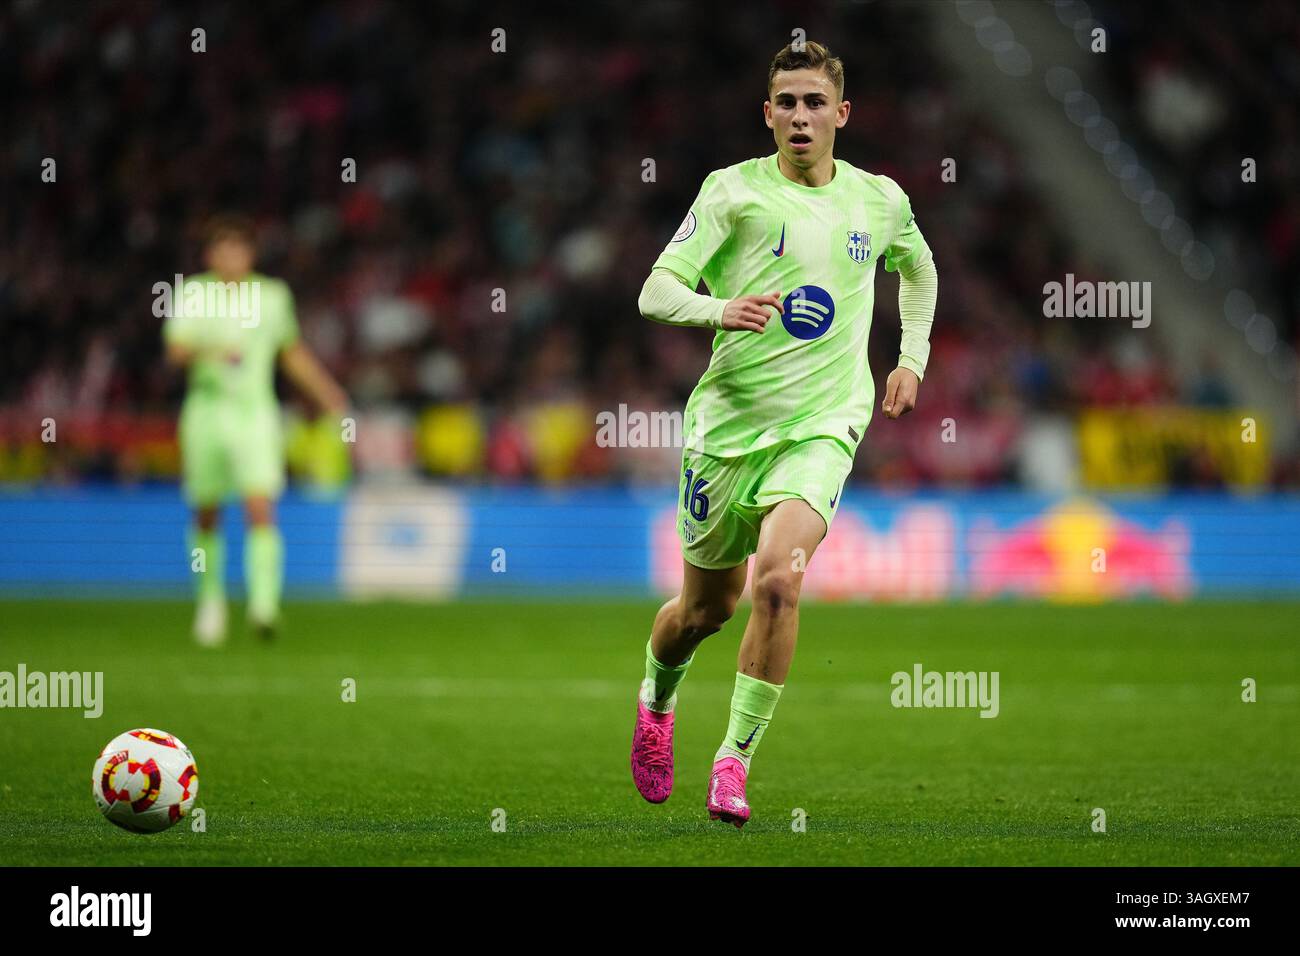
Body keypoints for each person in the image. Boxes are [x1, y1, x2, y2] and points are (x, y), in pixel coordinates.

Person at [631, 41, 939, 826]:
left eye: (814, 102)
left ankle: (733, 761)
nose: (800, 116)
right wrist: (717, 308)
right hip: (729, 431)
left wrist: (910, 358)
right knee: (704, 612)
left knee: (779, 581)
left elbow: (919, 268)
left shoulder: (879, 200)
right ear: (767, 115)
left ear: (842, 114)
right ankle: (657, 701)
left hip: (825, 426)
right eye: (786, 103)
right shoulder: (732, 193)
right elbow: (656, 290)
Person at [163, 215, 348, 645]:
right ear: (211, 255)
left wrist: (328, 392)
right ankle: (209, 601)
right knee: (207, 511)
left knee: (260, 504)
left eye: (239, 248)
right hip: (207, 410)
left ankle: (264, 604)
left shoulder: (272, 296)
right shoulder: (193, 292)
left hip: (255, 412)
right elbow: (175, 350)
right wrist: (214, 350)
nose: (232, 257)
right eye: (223, 249)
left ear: (251, 254)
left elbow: (291, 351)